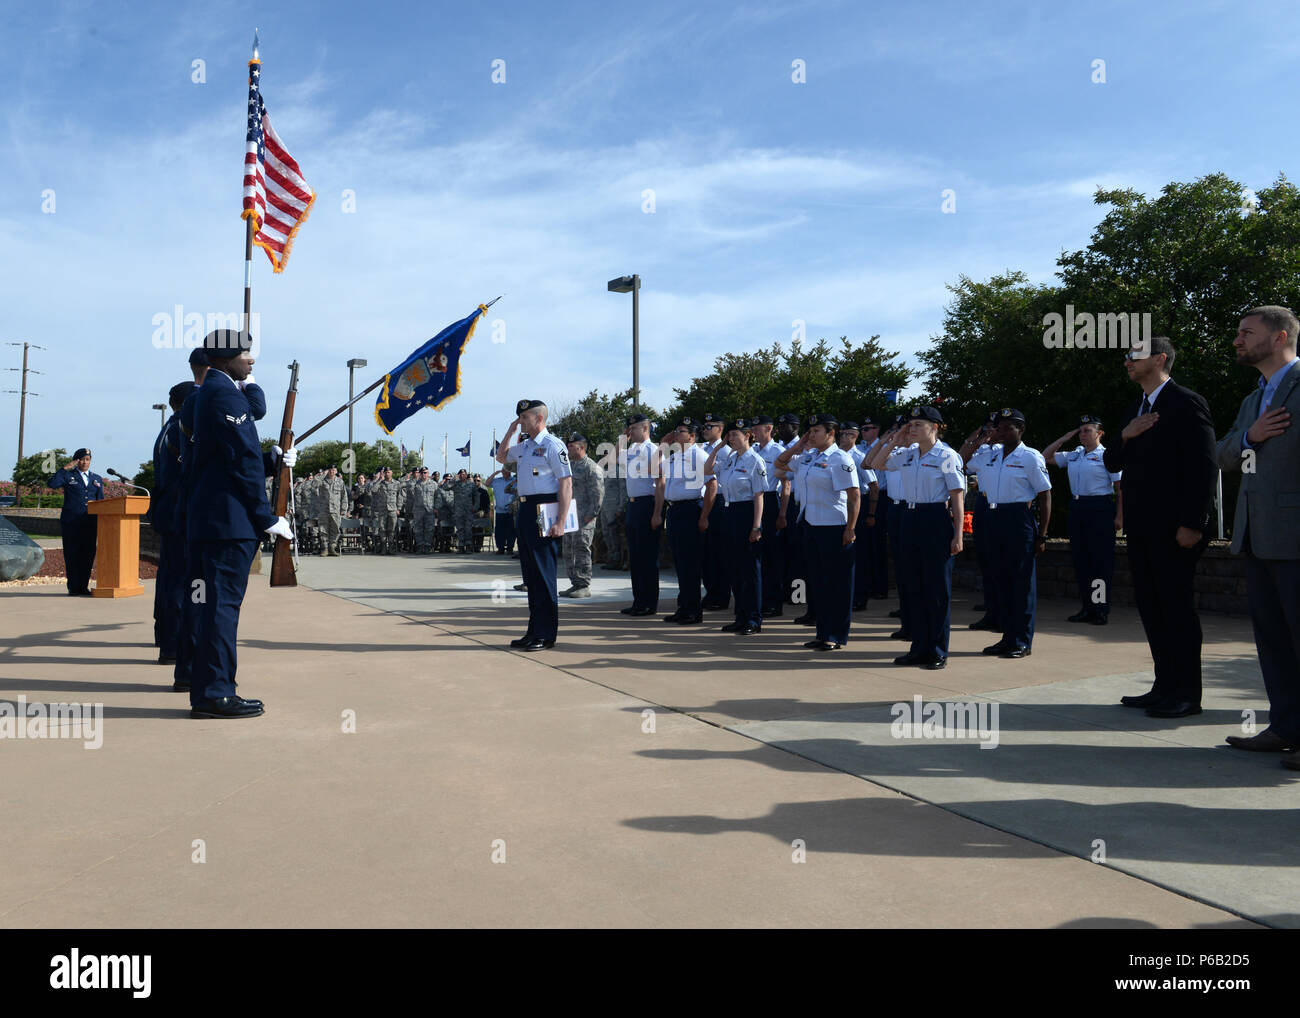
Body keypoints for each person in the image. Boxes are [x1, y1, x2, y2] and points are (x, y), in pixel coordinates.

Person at [1105, 336, 1218, 718]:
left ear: (1160, 359)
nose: (1127, 362)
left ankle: (1187, 694)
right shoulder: (1135, 409)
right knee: (1152, 606)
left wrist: (1193, 522)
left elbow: (1204, 467)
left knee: (1176, 607)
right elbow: (1110, 462)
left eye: (1134, 356)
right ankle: (1164, 686)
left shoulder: (1186, 402)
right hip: (1141, 527)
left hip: (1175, 529)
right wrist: (1126, 434)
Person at [187, 328, 294, 718]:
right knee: (221, 610)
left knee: (212, 609)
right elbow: (241, 462)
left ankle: (210, 691)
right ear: (226, 357)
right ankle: (216, 694)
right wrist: (267, 517)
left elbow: (229, 457)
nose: (251, 361)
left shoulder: (210, 393)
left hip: (214, 521)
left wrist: (272, 459)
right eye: (245, 355)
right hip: (227, 524)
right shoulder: (225, 393)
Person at [1215, 306, 1300, 765]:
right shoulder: (1254, 399)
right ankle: (1285, 726)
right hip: (1256, 537)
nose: (1237, 340)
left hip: (1295, 536)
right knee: (1273, 639)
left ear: (1280, 336)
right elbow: (1222, 453)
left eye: (1247, 333)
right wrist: (1251, 435)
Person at [869, 406, 966, 668]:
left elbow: (957, 495)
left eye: (917, 425)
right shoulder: (908, 454)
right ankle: (918, 647)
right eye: (909, 425)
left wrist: (958, 534)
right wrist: (894, 440)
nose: (911, 429)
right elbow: (876, 464)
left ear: (935, 427)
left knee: (936, 590)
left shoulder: (947, 455)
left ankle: (937, 651)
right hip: (909, 519)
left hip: (934, 518)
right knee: (913, 588)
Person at [964, 408, 1052, 659]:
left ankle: (1022, 641)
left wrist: (1042, 534)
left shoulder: (1030, 457)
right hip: (991, 518)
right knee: (1000, 581)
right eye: (999, 427)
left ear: (1020, 430)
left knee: (1021, 583)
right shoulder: (989, 455)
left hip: (1017, 518)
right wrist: (981, 437)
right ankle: (1006, 637)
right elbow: (960, 461)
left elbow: (1045, 495)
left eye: (1008, 427)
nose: (1002, 432)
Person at [776, 414, 859, 650]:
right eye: (810, 431)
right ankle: (822, 632)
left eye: (816, 432)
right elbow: (780, 464)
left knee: (836, 584)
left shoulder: (840, 459)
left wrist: (850, 528)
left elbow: (854, 495)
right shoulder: (808, 457)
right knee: (818, 582)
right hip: (810, 524)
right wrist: (799, 445)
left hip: (834, 526)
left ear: (831, 434)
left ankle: (835, 635)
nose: (811, 435)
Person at [497, 399, 573, 650]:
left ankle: (546, 634)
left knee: (544, 574)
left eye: (525, 417)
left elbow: (566, 484)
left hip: (546, 508)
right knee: (530, 575)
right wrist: (509, 431)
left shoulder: (553, 445)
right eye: (520, 417)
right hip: (527, 508)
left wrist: (561, 521)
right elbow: (501, 457)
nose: (522, 421)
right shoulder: (525, 445)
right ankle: (533, 631)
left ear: (539, 418)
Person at [1043, 415, 1122, 624]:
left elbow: (1120, 489)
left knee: (1100, 562)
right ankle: (1087, 607)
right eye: (1081, 431)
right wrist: (1065, 437)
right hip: (1078, 507)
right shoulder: (1074, 455)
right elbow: (1045, 457)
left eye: (1088, 430)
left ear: (1099, 433)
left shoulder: (1107, 456)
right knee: (1082, 561)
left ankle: (1100, 609)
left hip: (1100, 507)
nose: (1083, 434)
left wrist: (1120, 516)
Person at [149, 381, 197, 665]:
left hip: (169, 512)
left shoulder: (168, 426)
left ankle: (165, 637)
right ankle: (172, 643)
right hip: (180, 514)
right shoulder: (181, 428)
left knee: (169, 580)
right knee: (179, 583)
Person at [652, 417, 716, 624]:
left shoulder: (699, 455)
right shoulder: (674, 457)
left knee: (691, 564)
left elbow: (712, 486)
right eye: (676, 430)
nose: (676, 434)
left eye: (681, 431)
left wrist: (704, 516)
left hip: (691, 509)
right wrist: (663, 444)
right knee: (680, 562)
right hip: (675, 511)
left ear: (692, 435)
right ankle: (684, 607)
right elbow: (654, 469)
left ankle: (693, 611)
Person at [705, 419, 766, 634]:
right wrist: (719, 447)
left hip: (747, 513)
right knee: (735, 569)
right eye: (729, 435)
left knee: (750, 571)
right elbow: (708, 469)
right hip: (730, 512)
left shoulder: (755, 460)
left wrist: (756, 526)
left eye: (735, 435)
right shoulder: (731, 459)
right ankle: (740, 616)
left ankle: (753, 619)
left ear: (747, 435)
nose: (731, 438)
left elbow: (759, 495)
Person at [957, 413, 1001, 631]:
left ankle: (1003, 611)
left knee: (1002, 562)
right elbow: (959, 462)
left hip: (1004, 507)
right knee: (985, 558)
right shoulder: (983, 451)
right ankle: (991, 608)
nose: (990, 432)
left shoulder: (1016, 452)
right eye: (987, 428)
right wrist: (974, 439)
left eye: (994, 428)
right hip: (984, 504)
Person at [47, 448, 104, 596]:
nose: (85, 462)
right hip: (71, 522)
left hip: (90, 523)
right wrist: (65, 468)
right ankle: (73, 586)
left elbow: (101, 501)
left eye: (88, 459)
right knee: (72, 554)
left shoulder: (96, 479)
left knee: (87, 554)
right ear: (76, 461)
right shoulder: (68, 476)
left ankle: (83, 586)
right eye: (82, 459)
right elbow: (52, 484)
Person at [619, 413, 660, 616]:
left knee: (647, 556)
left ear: (645, 428)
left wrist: (657, 513)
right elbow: (611, 459)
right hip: (633, 505)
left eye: (633, 428)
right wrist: (622, 439)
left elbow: (660, 484)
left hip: (647, 504)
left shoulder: (654, 450)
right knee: (635, 556)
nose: (630, 431)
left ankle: (649, 603)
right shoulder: (631, 451)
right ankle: (638, 600)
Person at [749, 415, 787, 618]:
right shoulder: (752, 450)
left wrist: (782, 513)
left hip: (771, 500)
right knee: (757, 554)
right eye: (752, 429)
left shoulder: (778, 451)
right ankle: (760, 599)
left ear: (769, 429)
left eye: (757, 429)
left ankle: (774, 602)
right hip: (755, 501)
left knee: (772, 555)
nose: (753, 432)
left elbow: (786, 484)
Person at [562, 434, 604, 598]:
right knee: (568, 551)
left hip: (584, 518)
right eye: (568, 446)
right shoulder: (569, 466)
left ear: (582, 447)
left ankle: (584, 585)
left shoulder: (591, 467)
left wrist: (591, 514)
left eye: (572, 446)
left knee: (581, 550)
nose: (568, 449)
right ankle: (575, 583)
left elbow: (598, 493)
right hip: (569, 516)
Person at [699, 413, 731, 608]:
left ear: (720, 429)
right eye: (704, 426)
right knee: (707, 552)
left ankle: (721, 595)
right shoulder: (700, 448)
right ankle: (711, 592)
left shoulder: (726, 451)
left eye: (709, 426)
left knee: (719, 552)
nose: (705, 429)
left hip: (719, 501)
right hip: (704, 501)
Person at [851, 417, 882, 611]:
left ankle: (860, 596)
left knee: (861, 553)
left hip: (860, 504)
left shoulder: (858, 456)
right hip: (841, 507)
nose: (864, 432)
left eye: (848, 433)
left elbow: (874, 485)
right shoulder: (836, 456)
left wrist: (871, 513)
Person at [599, 470, 627, 570]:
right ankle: (611, 557)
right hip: (604, 507)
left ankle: (617, 560)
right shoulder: (604, 471)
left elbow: (623, 490)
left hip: (614, 507)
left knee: (614, 534)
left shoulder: (619, 470)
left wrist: (621, 508)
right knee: (606, 533)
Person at [318, 465, 347, 556]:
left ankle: (332, 547)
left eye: (334, 470)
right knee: (323, 529)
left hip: (335, 510)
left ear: (336, 471)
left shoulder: (340, 482)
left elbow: (344, 496)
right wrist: (323, 474)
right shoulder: (322, 481)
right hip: (324, 509)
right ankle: (325, 548)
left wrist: (343, 509)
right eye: (330, 470)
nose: (332, 472)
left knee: (335, 529)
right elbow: (313, 484)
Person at [488, 466, 516, 554]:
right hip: (500, 511)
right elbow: (487, 483)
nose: (505, 472)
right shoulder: (497, 481)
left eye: (507, 470)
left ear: (510, 471)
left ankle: (510, 548)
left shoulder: (515, 481)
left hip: (511, 510)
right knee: (499, 531)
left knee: (511, 530)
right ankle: (500, 548)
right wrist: (494, 474)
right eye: (503, 470)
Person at [452, 468, 475, 553]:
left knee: (468, 528)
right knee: (460, 529)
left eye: (464, 474)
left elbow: (476, 496)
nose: (462, 476)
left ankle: (468, 546)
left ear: (466, 475)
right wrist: (453, 479)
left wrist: (475, 507)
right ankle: (461, 546)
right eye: (460, 474)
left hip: (468, 510)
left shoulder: (471, 484)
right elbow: (445, 487)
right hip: (458, 510)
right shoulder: (455, 484)